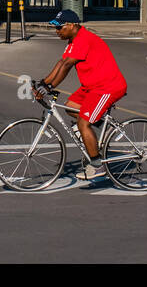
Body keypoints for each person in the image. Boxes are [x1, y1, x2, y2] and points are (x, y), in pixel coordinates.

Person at [34, 9, 128, 181]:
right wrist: (43, 83)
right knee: (71, 107)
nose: (57, 32)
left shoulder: (84, 39)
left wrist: (49, 86)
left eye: (59, 28)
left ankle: (97, 165)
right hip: (91, 87)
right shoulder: (72, 41)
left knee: (83, 123)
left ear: (71, 25)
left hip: (107, 87)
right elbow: (61, 62)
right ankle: (96, 125)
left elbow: (68, 66)